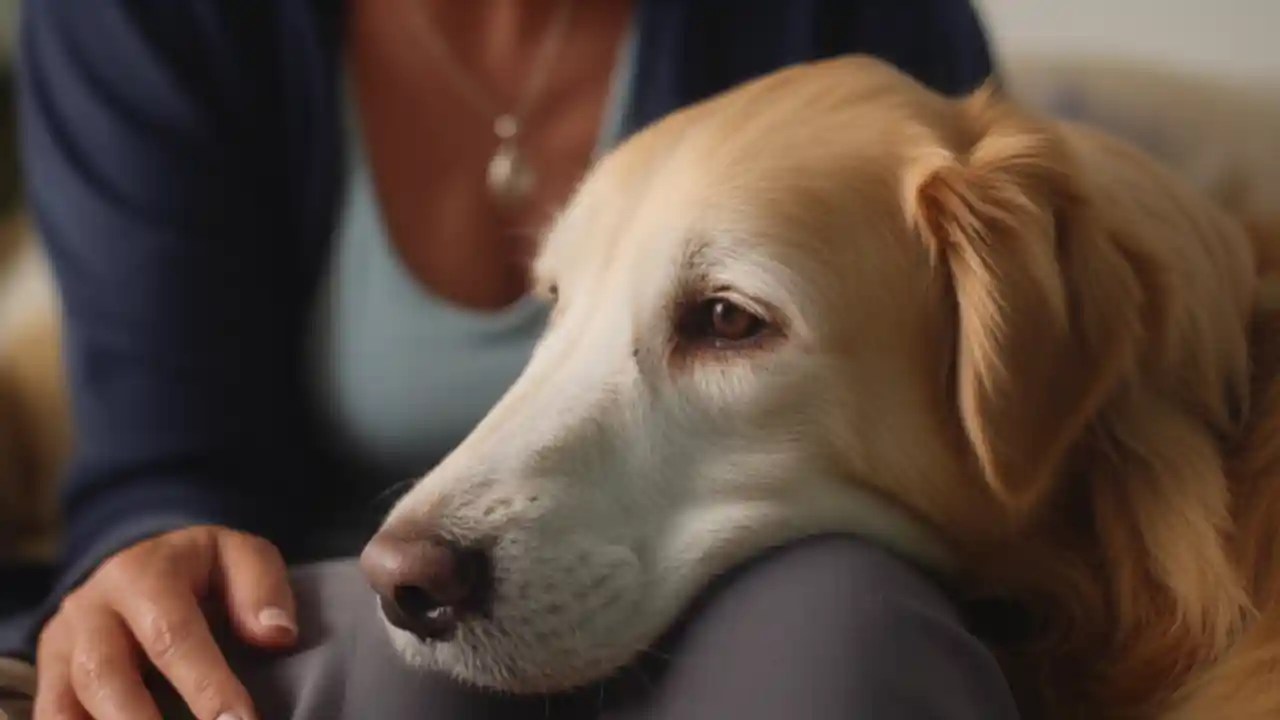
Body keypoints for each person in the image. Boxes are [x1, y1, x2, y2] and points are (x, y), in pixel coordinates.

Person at [3, 1, 1013, 718]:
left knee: (836, 621)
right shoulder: (138, 18)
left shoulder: (846, 16)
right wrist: (160, 541)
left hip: (770, 594)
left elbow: (989, 424)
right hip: (337, 589)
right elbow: (163, 450)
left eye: (723, 317)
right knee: (401, 682)